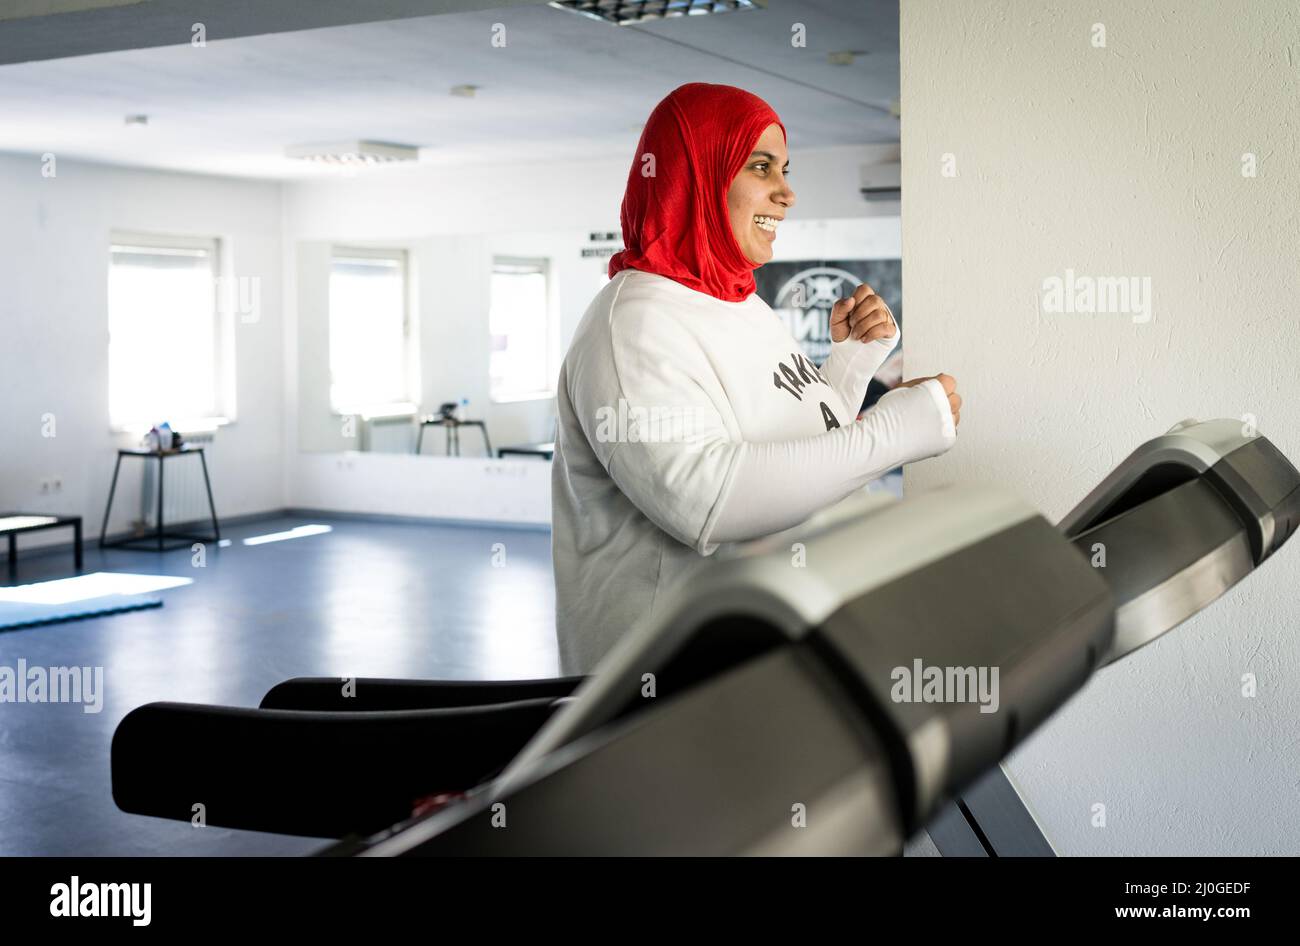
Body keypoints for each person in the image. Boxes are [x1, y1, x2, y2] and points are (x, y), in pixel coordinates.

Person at [551, 82, 961, 675]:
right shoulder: (634, 322)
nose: (787, 193)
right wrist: (897, 434)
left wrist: (849, 369)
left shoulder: (739, 302)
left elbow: (793, 458)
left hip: (765, 661)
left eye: (785, 169)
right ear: (699, 173)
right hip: (661, 693)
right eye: (761, 166)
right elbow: (709, 500)